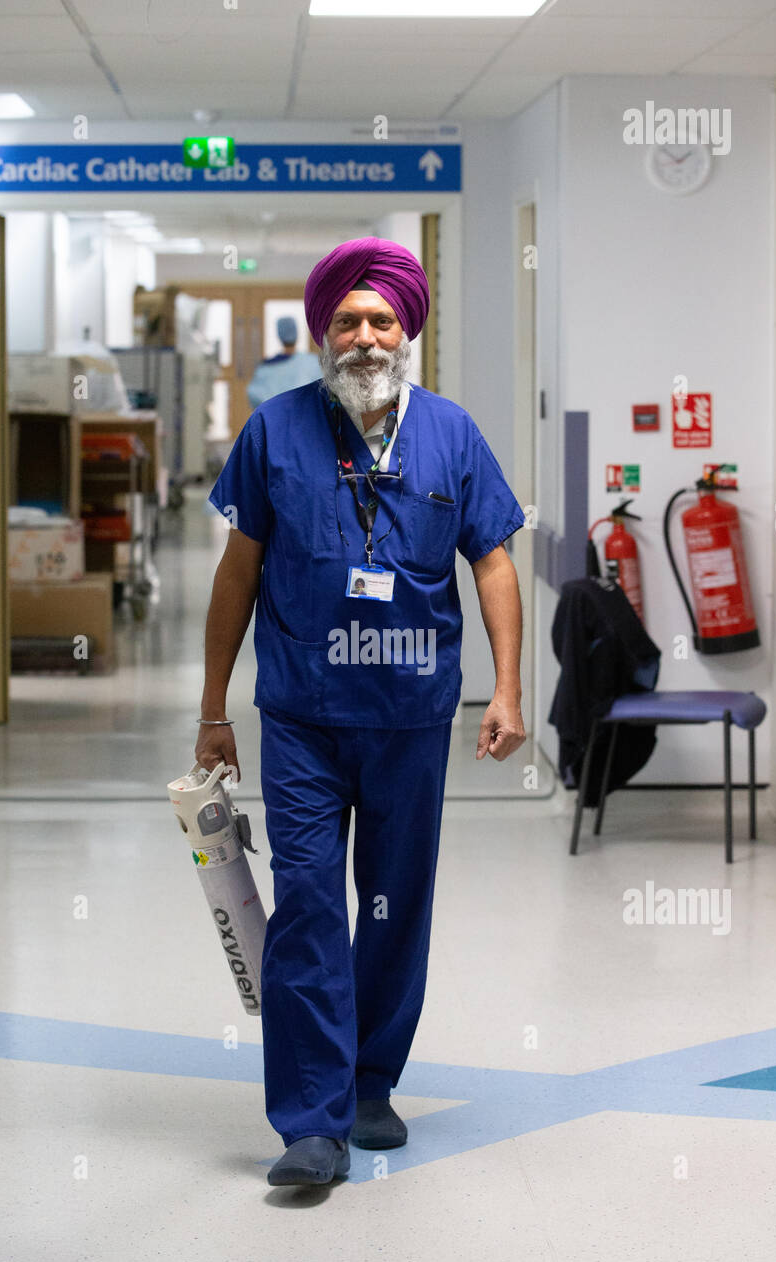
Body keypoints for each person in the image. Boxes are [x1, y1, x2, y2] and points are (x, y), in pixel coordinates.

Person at [198, 236, 526, 1188]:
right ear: (323, 334)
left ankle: (371, 1083)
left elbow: (493, 560)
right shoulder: (275, 431)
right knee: (306, 903)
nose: (366, 335)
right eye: (347, 319)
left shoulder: (452, 435)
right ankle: (310, 1120)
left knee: (392, 906)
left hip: (412, 715)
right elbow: (238, 570)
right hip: (301, 713)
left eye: (382, 318)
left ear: (407, 330)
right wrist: (214, 708)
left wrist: (504, 689)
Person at [245, 315, 321, 406]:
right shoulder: (312, 362)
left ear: (279, 335)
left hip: (275, 417)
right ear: (297, 334)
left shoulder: (266, 368)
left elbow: (254, 395)